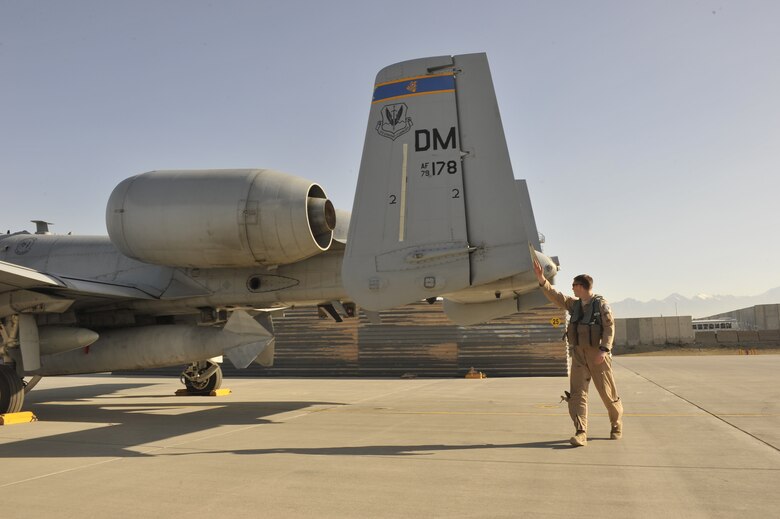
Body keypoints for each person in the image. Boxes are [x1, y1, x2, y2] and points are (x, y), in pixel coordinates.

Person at [533, 258, 623, 447]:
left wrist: (604, 350)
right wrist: (542, 280)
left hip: (597, 355)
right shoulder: (575, 305)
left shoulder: (601, 305)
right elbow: (557, 297)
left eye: (574, 285)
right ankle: (580, 432)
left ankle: (616, 424)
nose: (572, 288)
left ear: (582, 286)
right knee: (577, 394)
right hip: (579, 355)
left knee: (607, 393)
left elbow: (609, 328)